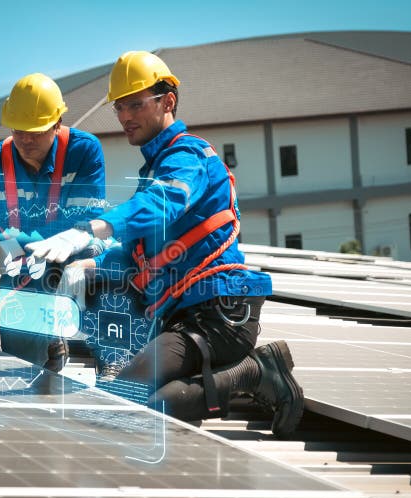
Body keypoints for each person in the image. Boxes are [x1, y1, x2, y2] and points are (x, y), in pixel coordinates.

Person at [26, 52, 304, 438]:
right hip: (185, 320)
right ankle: (236, 381)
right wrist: (84, 265)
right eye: (120, 107)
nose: (125, 116)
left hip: (221, 318)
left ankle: (255, 373)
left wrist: (93, 229)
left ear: (167, 102)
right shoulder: (155, 169)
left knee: (123, 403)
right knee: (120, 404)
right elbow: (138, 255)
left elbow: (163, 203)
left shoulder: (188, 156)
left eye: (136, 104)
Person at [0, 72, 105, 371]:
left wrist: (17, 243)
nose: (26, 139)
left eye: (37, 131)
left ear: (57, 124)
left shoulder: (84, 151)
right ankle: (46, 351)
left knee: (103, 264)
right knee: (19, 351)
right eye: (20, 130)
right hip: (20, 269)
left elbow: (84, 224)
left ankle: (105, 355)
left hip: (75, 256)